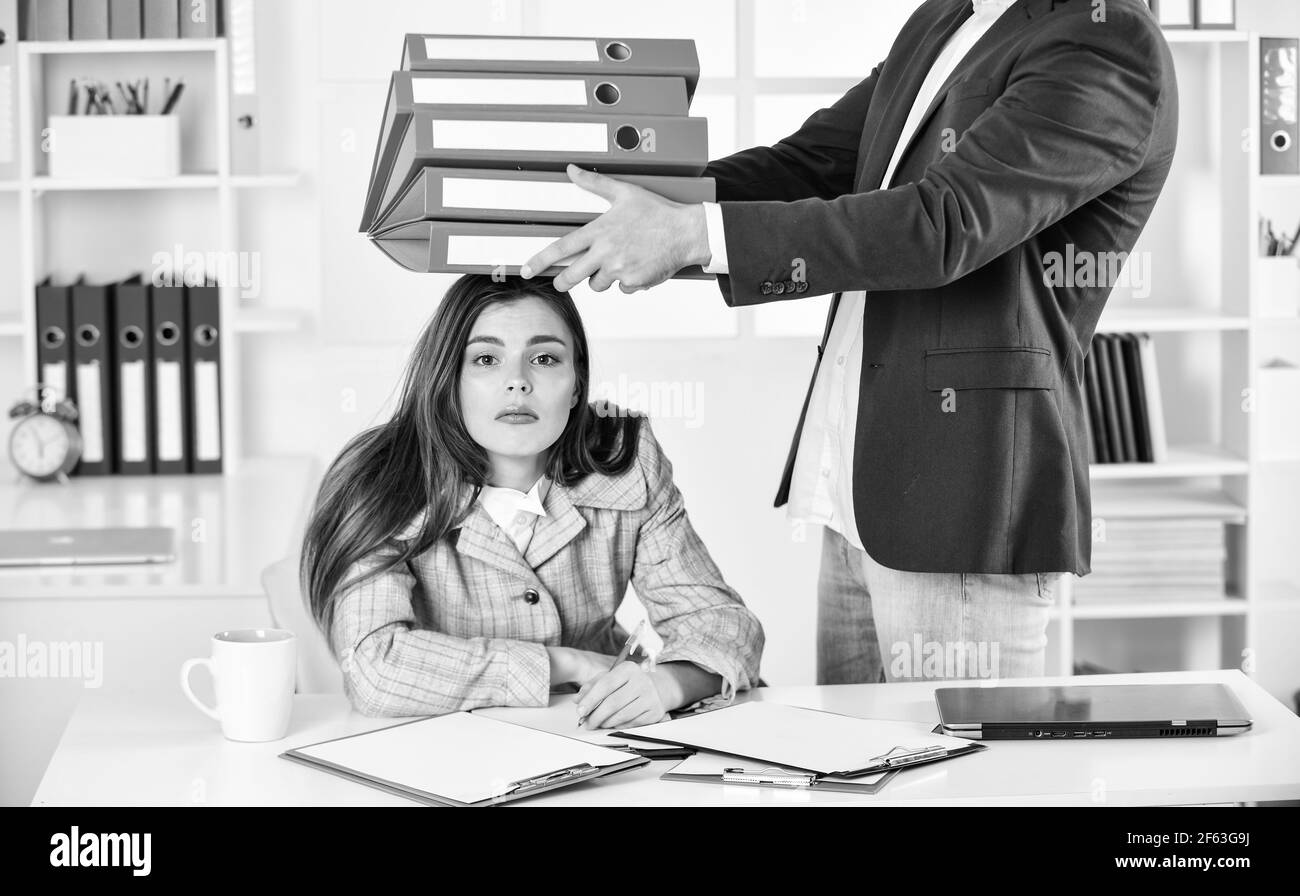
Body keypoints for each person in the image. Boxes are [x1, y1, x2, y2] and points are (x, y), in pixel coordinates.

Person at [521, 0, 1177, 684]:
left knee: (958, 785)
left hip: (963, 510)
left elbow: (945, 224)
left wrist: (694, 236)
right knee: (861, 775)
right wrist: (636, 205)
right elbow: (811, 167)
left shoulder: (1105, 41)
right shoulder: (945, 20)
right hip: (859, 491)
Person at [300, 274, 763, 726]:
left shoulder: (625, 457)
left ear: (577, 384)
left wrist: (668, 684)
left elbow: (722, 624)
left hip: (595, 737)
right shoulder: (388, 475)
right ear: (448, 379)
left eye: (544, 358)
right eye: (485, 360)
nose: (517, 382)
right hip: (441, 745)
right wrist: (564, 665)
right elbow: (375, 670)